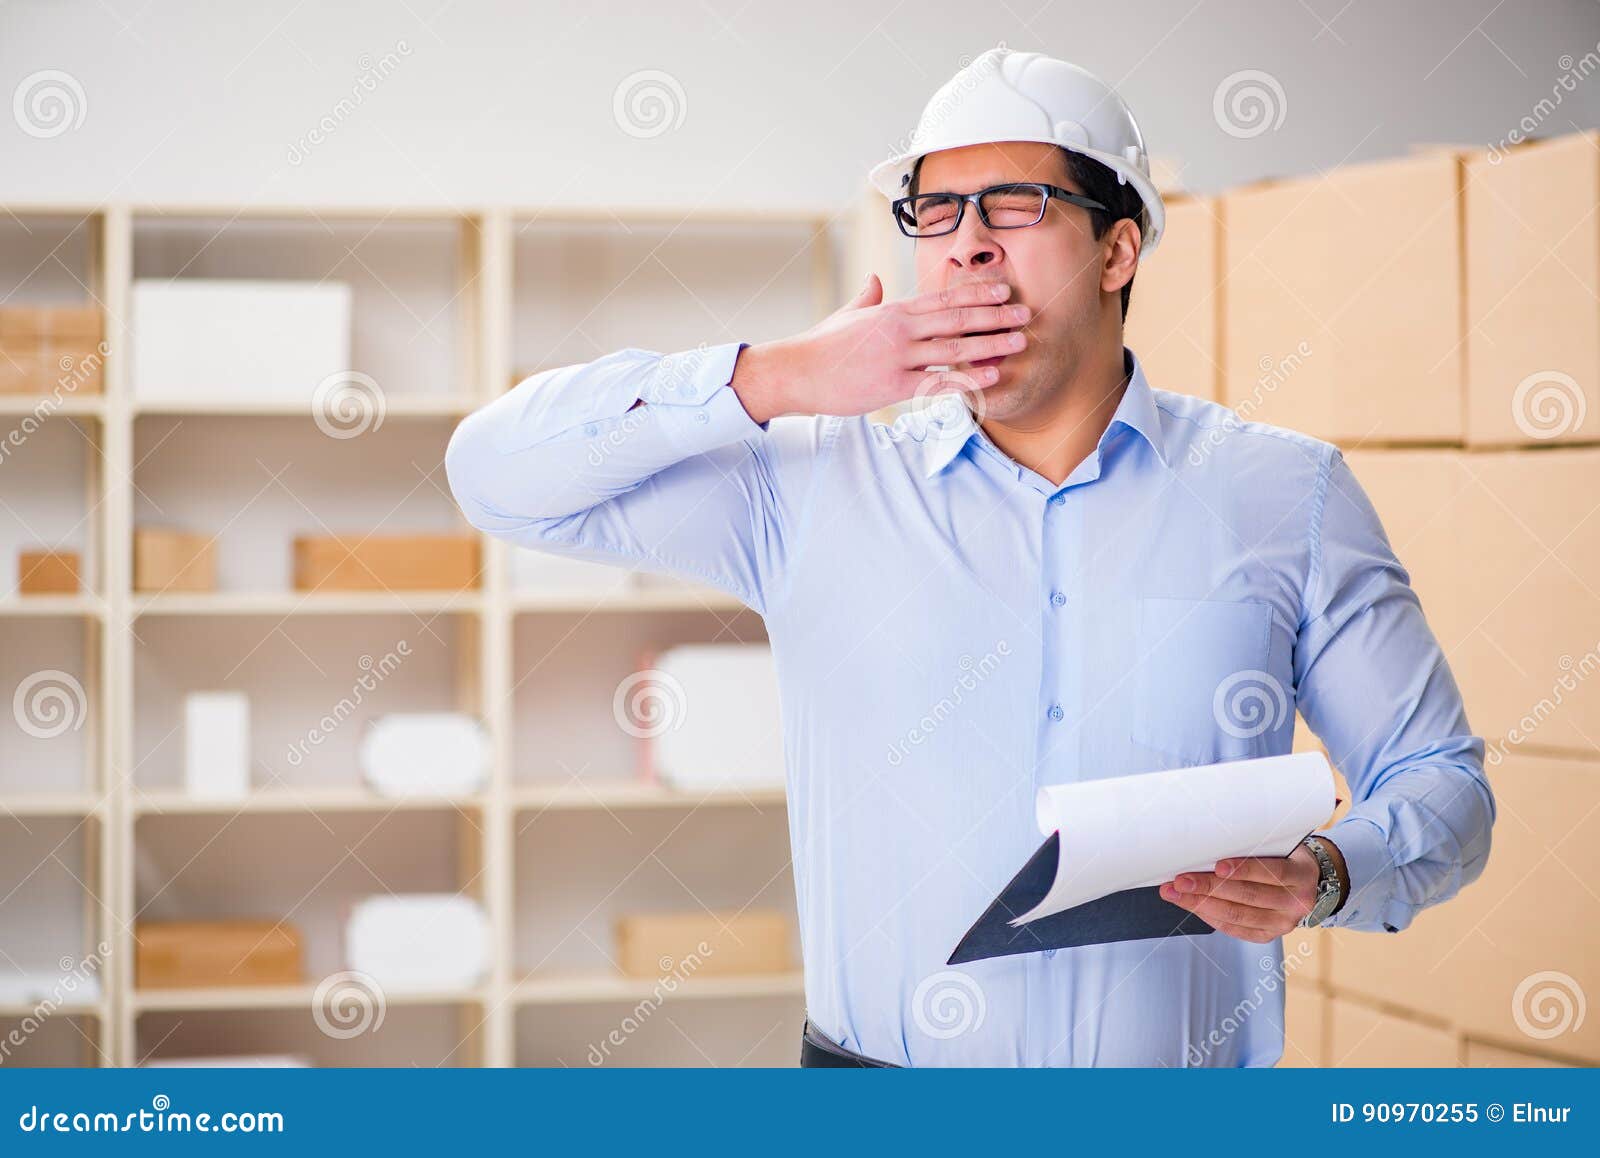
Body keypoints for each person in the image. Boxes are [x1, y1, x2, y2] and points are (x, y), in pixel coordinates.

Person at [445, 46, 1494, 1067]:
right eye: (936, 213)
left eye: (1016, 206)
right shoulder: (813, 480)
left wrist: (1328, 872)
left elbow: (1440, 781)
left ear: (1118, 252)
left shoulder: (1282, 493)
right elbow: (494, 473)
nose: (967, 246)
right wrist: (775, 376)